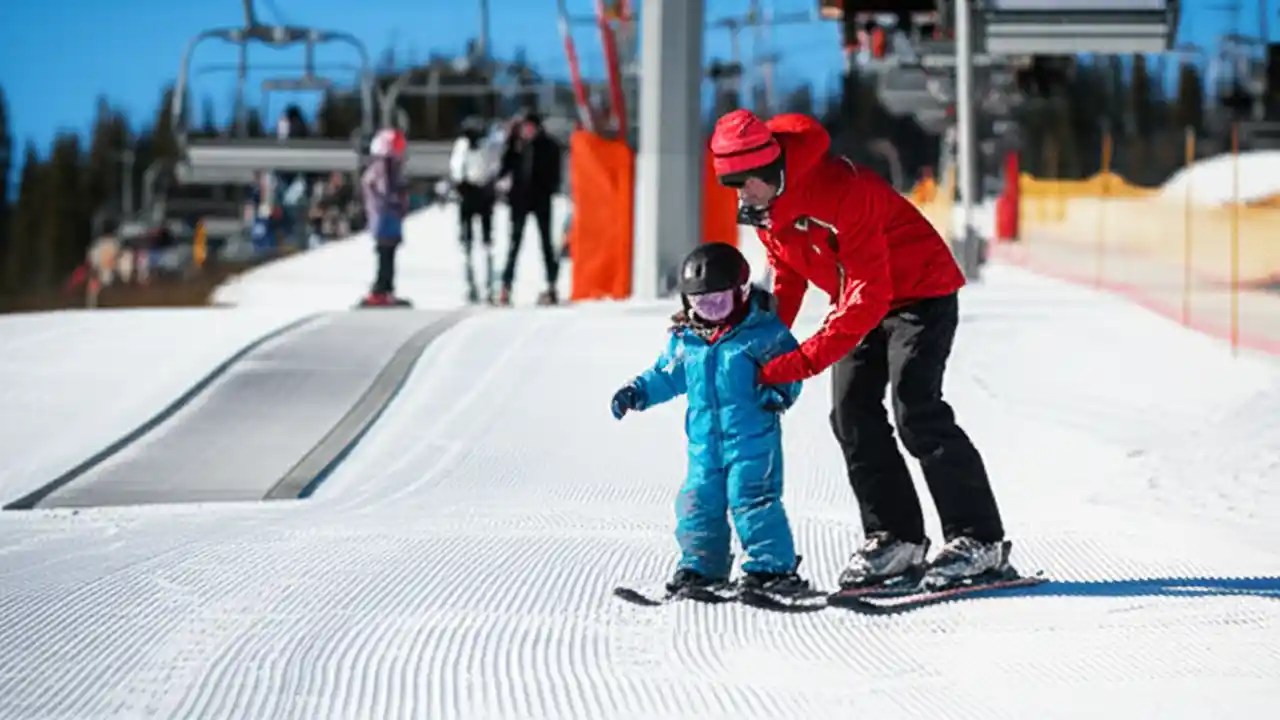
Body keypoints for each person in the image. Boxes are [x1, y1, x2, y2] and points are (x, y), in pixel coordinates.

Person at [708, 108, 1008, 589]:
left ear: (770, 171)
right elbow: (787, 274)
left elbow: (871, 292)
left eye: (745, 182)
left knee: (916, 410)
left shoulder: (843, 191)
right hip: (858, 297)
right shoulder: (767, 207)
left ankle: (979, 540)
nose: (741, 195)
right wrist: (761, 345)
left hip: (920, 293)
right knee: (849, 414)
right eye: (733, 186)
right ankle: (896, 537)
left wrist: (800, 362)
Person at [609, 242, 809, 596]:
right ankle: (702, 567)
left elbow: (791, 369)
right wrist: (637, 391)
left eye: (719, 302)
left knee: (751, 499)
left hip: (752, 440)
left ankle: (771, 568)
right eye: (700, 304)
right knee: (698, 500)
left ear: (742, 293)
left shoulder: (763, 334)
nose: (710, 312)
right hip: (704, 445)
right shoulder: (687, 340)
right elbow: (666, 375)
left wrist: (776, 394)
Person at [495, 110, 562, 306]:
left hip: (541, 198)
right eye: (525, 127)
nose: (528, 131)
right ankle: (506, 287)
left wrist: (550, 189)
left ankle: (551, 285)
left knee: (546, 244)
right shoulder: (516, 145)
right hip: (520, 200)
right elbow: (504, 168)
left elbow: (555, 173)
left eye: (531, 127)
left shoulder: (548, 146)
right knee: (514, 244)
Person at [450, 116, 501, 304]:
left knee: (482, 240)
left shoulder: (485, 144)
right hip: (472, 192)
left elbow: (492, 166)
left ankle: (484, 283)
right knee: (471, 240)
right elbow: (457, 166)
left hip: (479, 191)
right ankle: (473, 282)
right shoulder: (465, 145)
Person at [359, 127, 411, 307]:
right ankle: (381, 289)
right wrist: (399, 201)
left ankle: (384, 289)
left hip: (383, 218)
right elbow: (386, 191)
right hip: (386, 218)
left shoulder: (379, 166)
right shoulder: (385, 167)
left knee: (386, 254)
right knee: (386, 255)